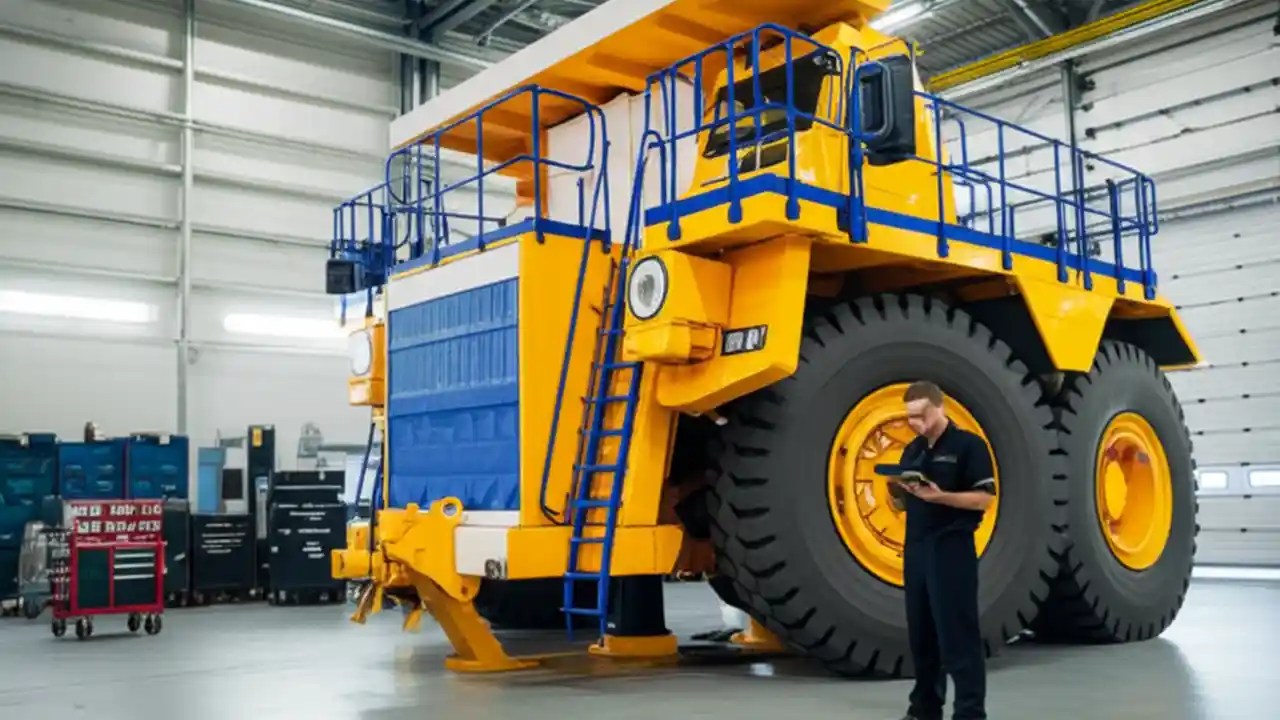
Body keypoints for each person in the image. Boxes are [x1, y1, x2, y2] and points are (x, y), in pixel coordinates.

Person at [890, 381, 997, 720]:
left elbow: (985, 498)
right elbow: (903, 503)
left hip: (951, 546)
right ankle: (924, 708)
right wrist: (898, 490)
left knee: (957, 634)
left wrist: (941, 497)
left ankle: (969, 712)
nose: (915, 423)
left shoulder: (969, 446)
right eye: (909, 417)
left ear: (941, 407)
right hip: (917, 548)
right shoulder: (913, 450)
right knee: (922, 634)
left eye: (921, 415)